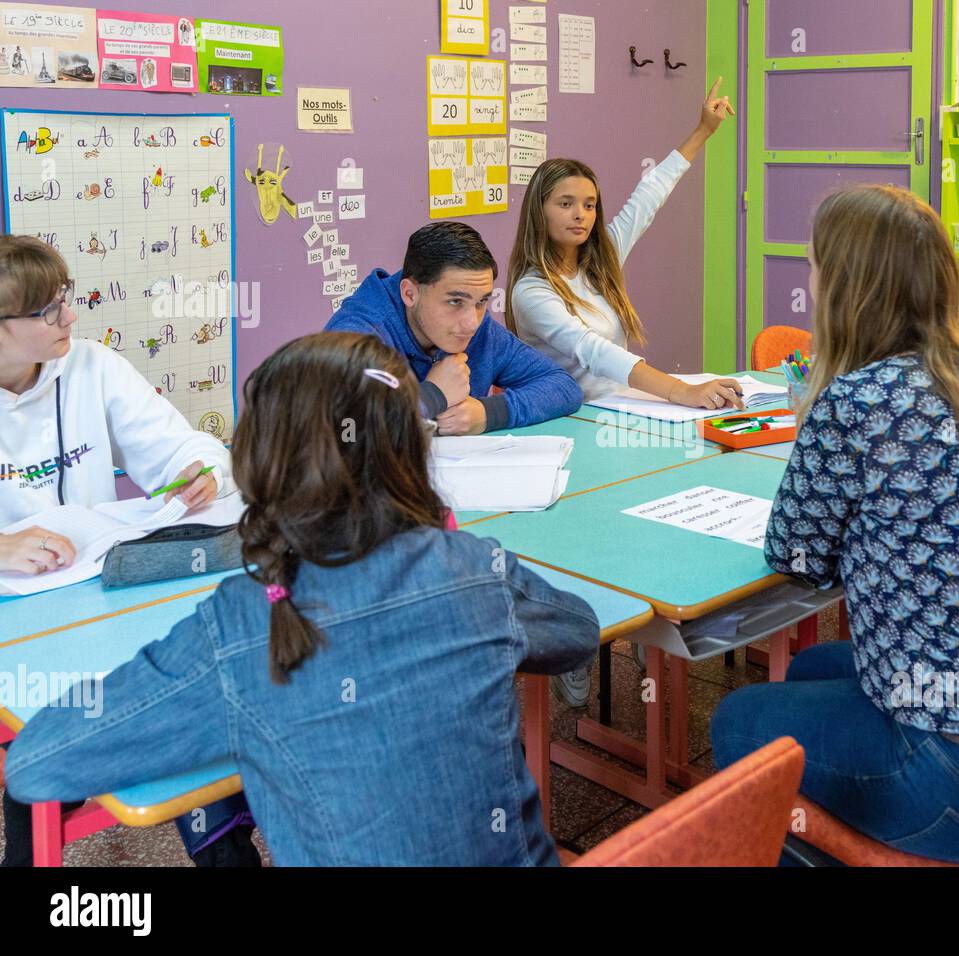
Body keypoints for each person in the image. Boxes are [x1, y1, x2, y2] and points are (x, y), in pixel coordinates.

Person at [4, 332, 600, 865]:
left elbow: (37, 763)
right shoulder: (473, 567)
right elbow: (576, 631)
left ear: (262, 464)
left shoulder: (243, 623)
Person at [709, 185, 959, 864]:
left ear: (845, 288)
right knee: (809, 668)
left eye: (813, 266)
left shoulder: (854, 402)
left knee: (735, 722)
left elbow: (796, 557)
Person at [0, 234, 254, 866]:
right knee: (49, 736)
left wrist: (198, 469)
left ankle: (224, 848)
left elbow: (179, 448)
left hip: (97, 595)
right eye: (49, 311)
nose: (70, 317)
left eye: (66, 299)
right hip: (16, 623)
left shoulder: (90, 365)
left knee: (191, 693)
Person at [505, 77, 742, 410]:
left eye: (589, 205)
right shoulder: (531, 291)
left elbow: (648, 197)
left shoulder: (601, 259)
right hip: (575, 417)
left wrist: (703, 130)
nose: (580, 215)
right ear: (538, 211)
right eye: (565, 204)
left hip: (623, 408)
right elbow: (592, 350)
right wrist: (682, 391)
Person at [326, 221, 582, 435]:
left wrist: (487, 414)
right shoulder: (358, 333)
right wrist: (432, 395)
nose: (472, 322)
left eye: (482, 302)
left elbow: (562, 386)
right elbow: (347, 429)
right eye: (454, 302)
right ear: (409, 293)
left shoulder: (478, 327)